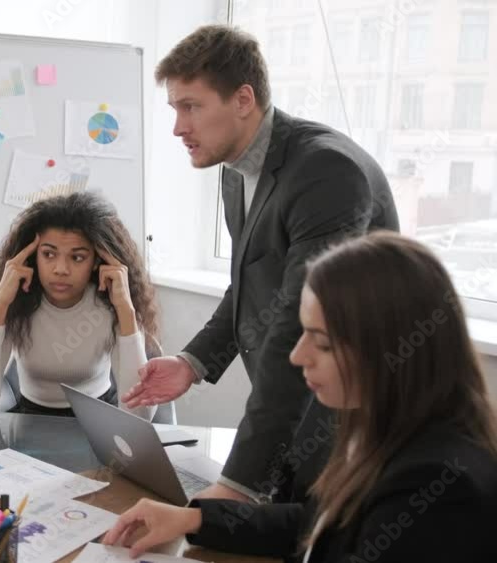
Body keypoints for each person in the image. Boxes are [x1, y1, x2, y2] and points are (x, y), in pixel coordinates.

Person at [123, 25, 399, 501]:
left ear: (243, 99)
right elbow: (249, 282)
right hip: (301, 397)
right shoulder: (236, 170)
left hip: (348, 409)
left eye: (191, 106)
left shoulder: (326, 172)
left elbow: (297, 321)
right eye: (174, 109)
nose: (178, 127)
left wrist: (238, 485)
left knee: (317, 528)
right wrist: (192, 363)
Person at [105, 232, 497, 562]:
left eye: (322, 343)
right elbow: (321, 522)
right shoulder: (393, 429)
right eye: (302, 333)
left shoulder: (437, 490)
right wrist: (195, 520)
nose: (297, 356)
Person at [0, 192, 160, 421]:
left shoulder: (112, 302)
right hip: (30, 418)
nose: (60, 269)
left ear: (96, 261)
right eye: (48, 254)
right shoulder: (18, 300)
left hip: (98, 417)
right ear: (33, 256)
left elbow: (141, 416)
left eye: (77, 258)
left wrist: (126, 311)